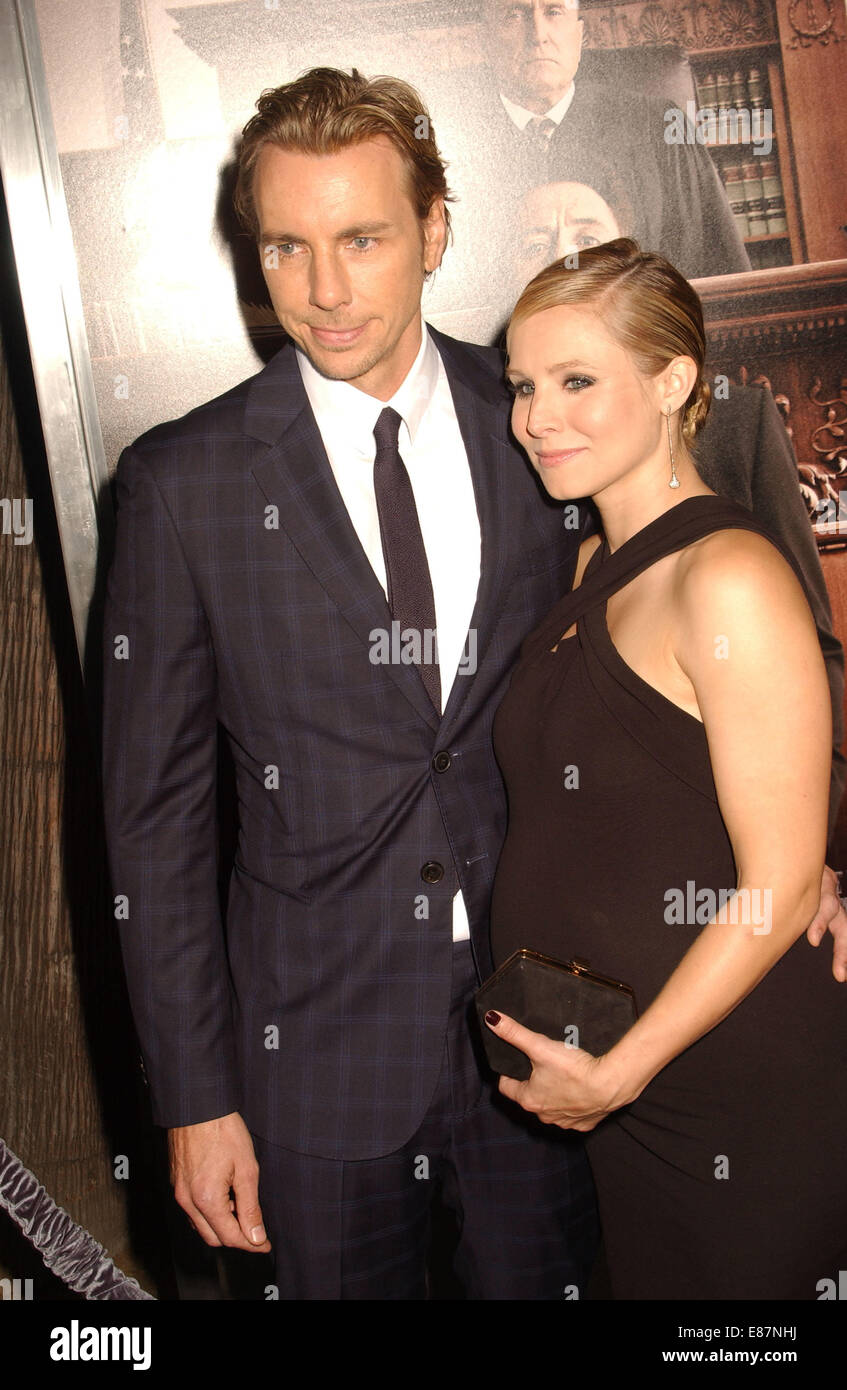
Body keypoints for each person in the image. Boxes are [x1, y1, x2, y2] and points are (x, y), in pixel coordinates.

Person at [101, 68, 846, 1302]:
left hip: (558, 1045)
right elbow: (153, 824)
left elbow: (765, 666)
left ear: (437, 232)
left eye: (364, 239)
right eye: (287, 245)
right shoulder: (184, 485)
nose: (325, 289)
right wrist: (194, 1097)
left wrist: (820, 857)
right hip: (315, 1073)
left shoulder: (543, 429)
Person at [485, 238, 847, 1298]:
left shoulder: (725, 573)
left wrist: (619, 1070)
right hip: (627, 1088)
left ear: (673, 380)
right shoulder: (591, 560)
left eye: (575, 381)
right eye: (522, 386)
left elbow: (777, 885)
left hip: (729, 1088)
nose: (535, 417)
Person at [473, 0, 750, 280]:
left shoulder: (659, 127)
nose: (538, 35)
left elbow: (723, 276)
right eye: (514, 15)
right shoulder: (452, 149)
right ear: (484, 41)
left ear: (579, 36)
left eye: (554, 12)